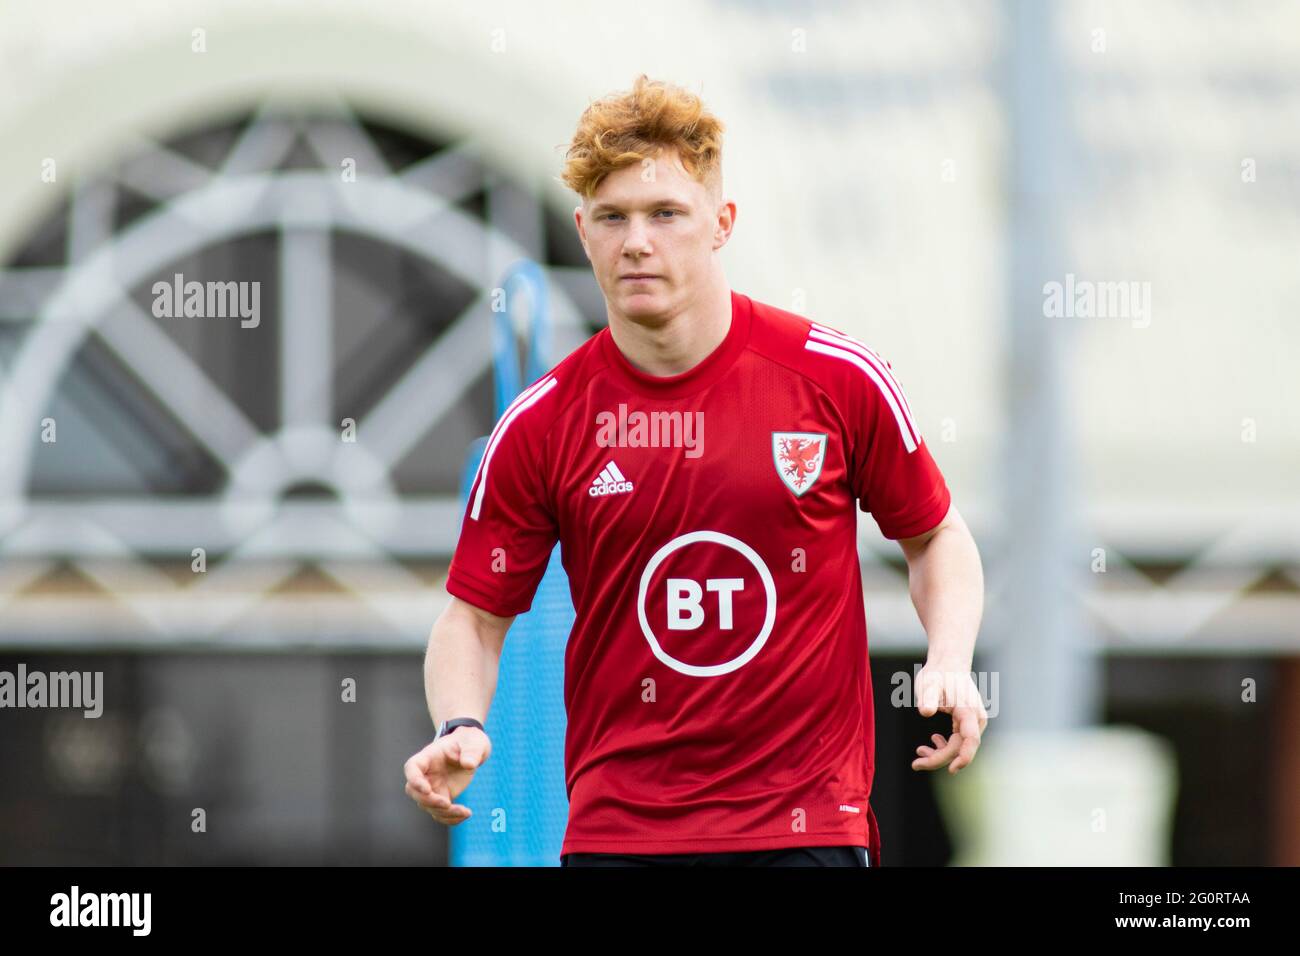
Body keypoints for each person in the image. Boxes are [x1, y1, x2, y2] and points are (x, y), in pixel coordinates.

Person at [404, 74, 987, 867]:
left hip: (805, 825)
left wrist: (948, 658)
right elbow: (472, 617)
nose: (636, 241)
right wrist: (459, 723)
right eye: (612, 217)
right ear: (582, 231)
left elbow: (936, 536)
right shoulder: (543, 422)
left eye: (666, 214)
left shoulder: (835, 378)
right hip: (621, 835)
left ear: (722, 224)